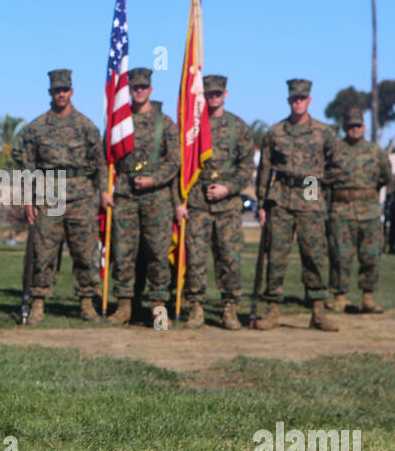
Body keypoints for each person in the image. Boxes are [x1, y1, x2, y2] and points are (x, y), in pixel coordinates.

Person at [13, 69, 107, 325]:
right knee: (43, 252)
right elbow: (25, 164)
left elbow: (100, 163)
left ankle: (87, 303)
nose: (61, 94)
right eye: (56, 90)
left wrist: (104, 191)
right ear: (50, 93)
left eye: (64, 90)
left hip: (81, 196)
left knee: (85, 252)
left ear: (71, 92)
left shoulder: (86, 127)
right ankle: (38, 302)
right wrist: (29, 198)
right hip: (48, 195)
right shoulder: (35, 128)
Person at [253, 78, 339, 331]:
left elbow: (338, 164)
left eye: (302, 98)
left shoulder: (324, 132)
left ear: (309, 101)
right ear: (289, 100)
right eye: (294, 98)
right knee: (277, 255)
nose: (298, 102)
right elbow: (265, 169)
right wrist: (261, 202)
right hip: (281, 196)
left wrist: (322, 183)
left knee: (313, 254)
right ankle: (272, 310)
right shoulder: (275, 132)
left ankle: (318, 311)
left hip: (310, 191)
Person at [174, 74, 254, 329]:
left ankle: (229, 309)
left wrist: (228, 188)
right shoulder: (192, 128)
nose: (213, 98)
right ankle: (196, 307)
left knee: (229, 258)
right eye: (209, 94)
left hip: (227, 206)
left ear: (225, 95)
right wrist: (180, 201)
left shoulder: (238, 127)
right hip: (198, 203)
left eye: (217, 94)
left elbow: (246, 166)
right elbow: (181, 167)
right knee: (196, 259)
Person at [106, 68, 178, 327]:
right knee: (124, 252)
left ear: (151, 89)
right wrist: (106, 189)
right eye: (134, 87)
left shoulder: (165, 123)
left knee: (157, 253)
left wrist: (153, 179)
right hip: (126, 194)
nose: (139, 91)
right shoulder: (120, 122)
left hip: (156, 196)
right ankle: (125, 306)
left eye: (143, 87)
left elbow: (174, 161)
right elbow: (108, 156)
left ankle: (159, 309)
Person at [327, 107, 391, 313]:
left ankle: (368, 297)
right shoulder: (335, 151)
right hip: (341, 210)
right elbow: (324, 178)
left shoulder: (376, 152)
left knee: (371, 255)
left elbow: (385, 177)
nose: (354, 129)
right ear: (345, 128)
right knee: (340, 255)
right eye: (350, 126)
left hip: (369, 211)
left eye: (358, 125)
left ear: (363, 127)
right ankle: (339, 296)